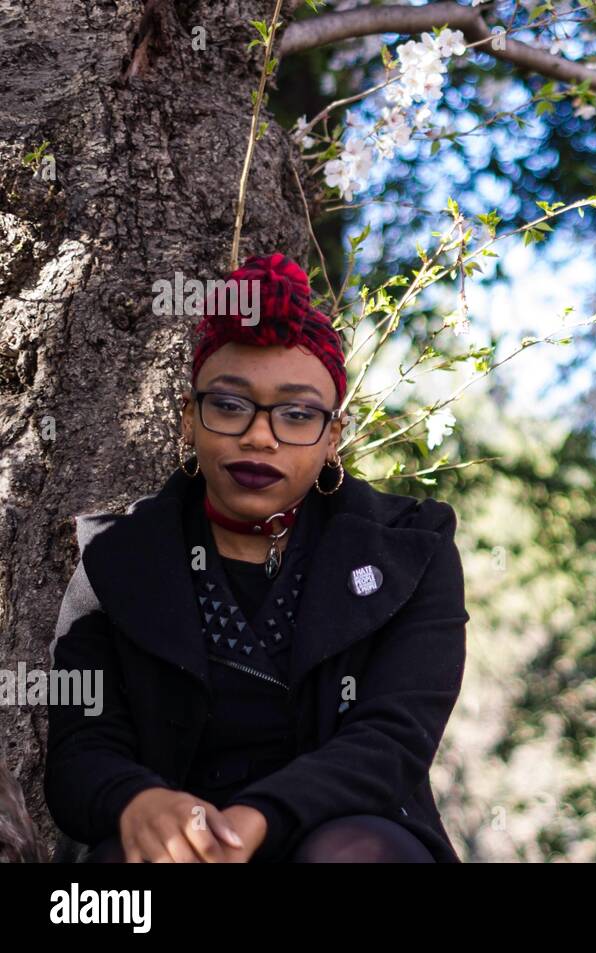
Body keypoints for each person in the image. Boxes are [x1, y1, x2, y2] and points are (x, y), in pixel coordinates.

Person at [43, 253, 469, 862]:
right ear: (189, 420)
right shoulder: (116, 559)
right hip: (177, 844)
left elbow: (394, 739)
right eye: (230, 405)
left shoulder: (412, 547)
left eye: (297, 414)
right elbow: (82, 749)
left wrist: (259, 817)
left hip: (347, 832)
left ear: (332, 438)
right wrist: (137, 802)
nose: (260, 435)